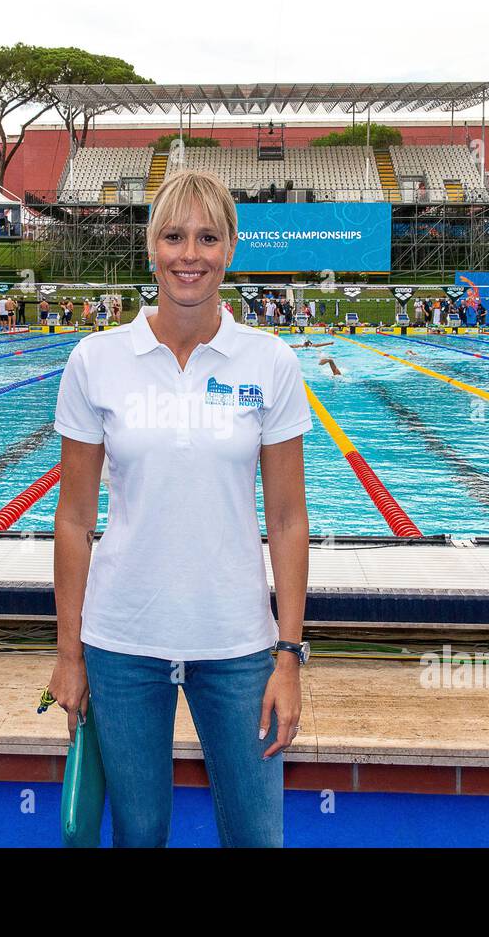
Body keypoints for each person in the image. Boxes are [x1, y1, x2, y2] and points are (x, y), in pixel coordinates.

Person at [46, 169, 310, 848]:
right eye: (173, 236)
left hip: (238, 641)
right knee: (139, 833)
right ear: (150, 246)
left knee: (257, 835)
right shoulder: (95, 359)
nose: (189, 253)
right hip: (123, 639)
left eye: (207, 237)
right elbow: (73, 520)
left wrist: (288, 655)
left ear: (229, 250)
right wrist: (68, 653)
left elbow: (287, 521)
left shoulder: (270, 361)